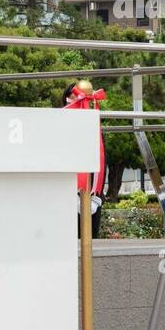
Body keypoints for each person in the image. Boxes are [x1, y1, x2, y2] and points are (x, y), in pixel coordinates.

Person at [60, 82, 102, 237]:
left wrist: (96, 194)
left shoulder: (93, 125)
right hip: (67, 191)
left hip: (90, 193)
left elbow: (100, 162)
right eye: (72, 98)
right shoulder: (59, 123)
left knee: (91, 236)